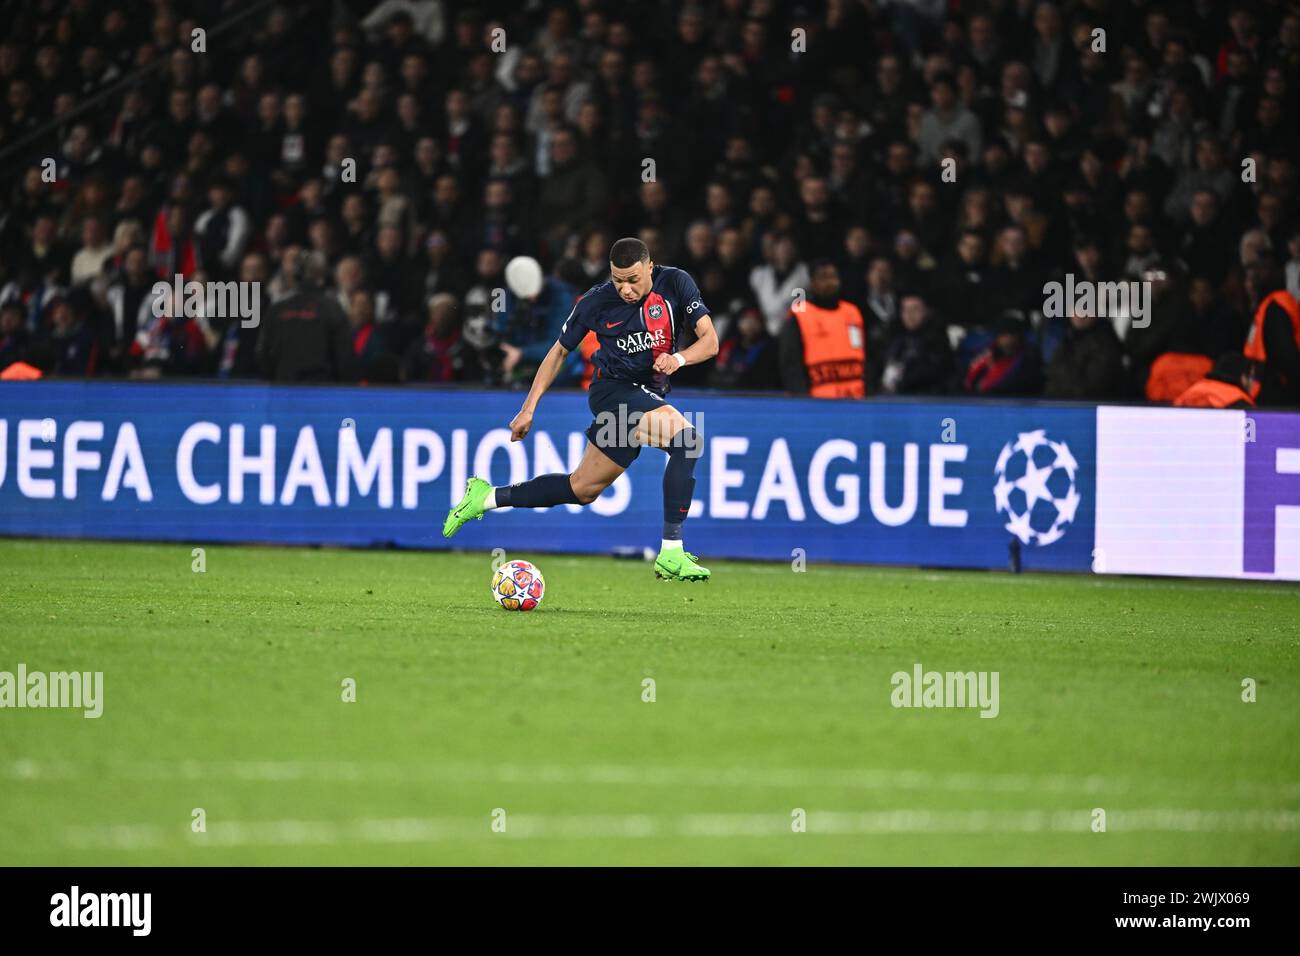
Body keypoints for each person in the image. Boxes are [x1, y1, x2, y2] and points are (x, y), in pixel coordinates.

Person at [442, 237, 719, 581]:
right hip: (613, 392)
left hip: (646, 394)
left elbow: (710, 342)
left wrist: (678, 358)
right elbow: (558, 352)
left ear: (650, 267)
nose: (626, 289)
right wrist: (528, 409)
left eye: (633, 280)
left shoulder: (676, 282)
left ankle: (486, 497)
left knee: (582, 489)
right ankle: (672, 552)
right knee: (686, 440)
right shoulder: (596, 301)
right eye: (618, 280)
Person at [778, 260, 867, 397]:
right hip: (819, 403)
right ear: (813, 283)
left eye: (833, 277)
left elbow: (863, 354)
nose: (830, 283)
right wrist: (802, 400)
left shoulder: (852, 312)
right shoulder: (800, 315)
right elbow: (791, 365)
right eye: (823, 278)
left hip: (855, 399)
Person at [1173, 352, 1256, 408]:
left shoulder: (1190, 392)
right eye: (1251, 376)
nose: (1253, 383)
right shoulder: (1241, 403)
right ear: (1243, 377)